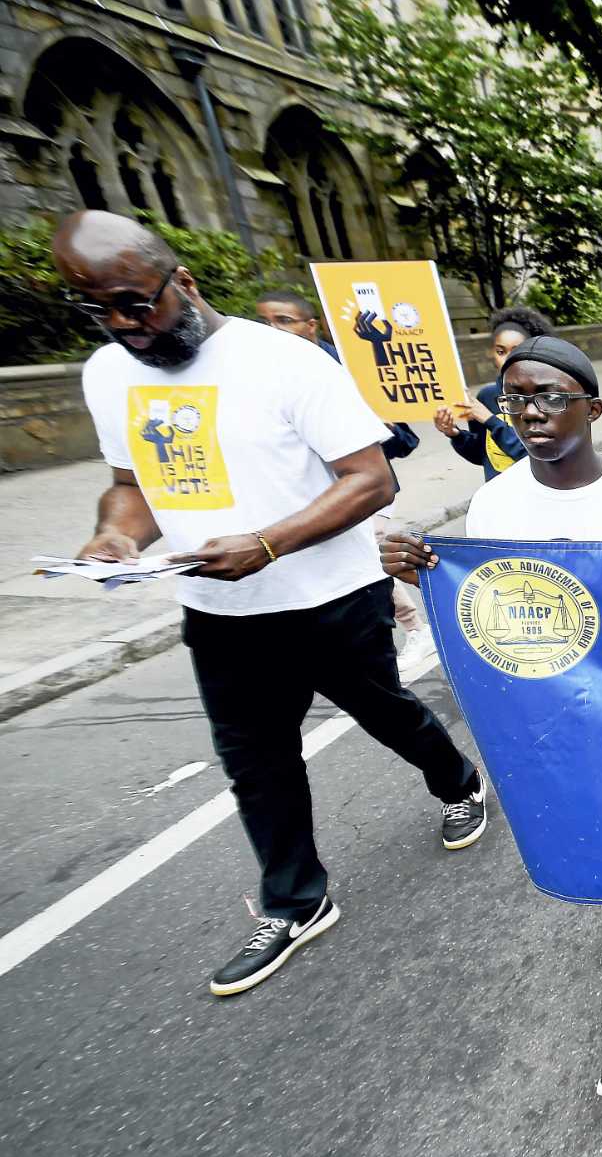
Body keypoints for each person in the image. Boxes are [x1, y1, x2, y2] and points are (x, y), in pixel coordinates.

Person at [56, 210, 487, 997]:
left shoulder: (284, 362)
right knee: (255, 760)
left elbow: (371, 480)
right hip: (216, 609)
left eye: (136, 304)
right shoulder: (107, 374)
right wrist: (115, 536)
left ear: (182, 281)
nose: (124, 326)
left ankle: (458, 781)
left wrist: (266, 543)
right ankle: (296, 900)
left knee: (385, 711)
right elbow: (132, 485)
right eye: (98, 312)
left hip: (329, 596)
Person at [379, 335, 602, 1098]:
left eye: (551, 396)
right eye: (516, 398)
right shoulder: (496, 503)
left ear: (593, 407)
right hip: (556, 713)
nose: (531, 413)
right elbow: (490, 610)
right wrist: (422, 575)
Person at [256, 289, 433, 670]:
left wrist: (376, 425)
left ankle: (416, 629)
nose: (273, 331)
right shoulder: (261, 375)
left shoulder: (349, 368)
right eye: (265, 322)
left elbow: (404, 441)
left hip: (363, 490)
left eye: (284, 321)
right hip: (306, 494)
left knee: (370, 556)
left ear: (311, 326)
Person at [436, 307, 555, 481]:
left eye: (516, 350)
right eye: (500, 351)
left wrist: (490, 420)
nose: (507, 358)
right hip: (498, 492)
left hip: (536, 489)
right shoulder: (486, 396)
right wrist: (454, 433)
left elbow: (536, 455)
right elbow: (481, 454)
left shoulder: (547, 397)